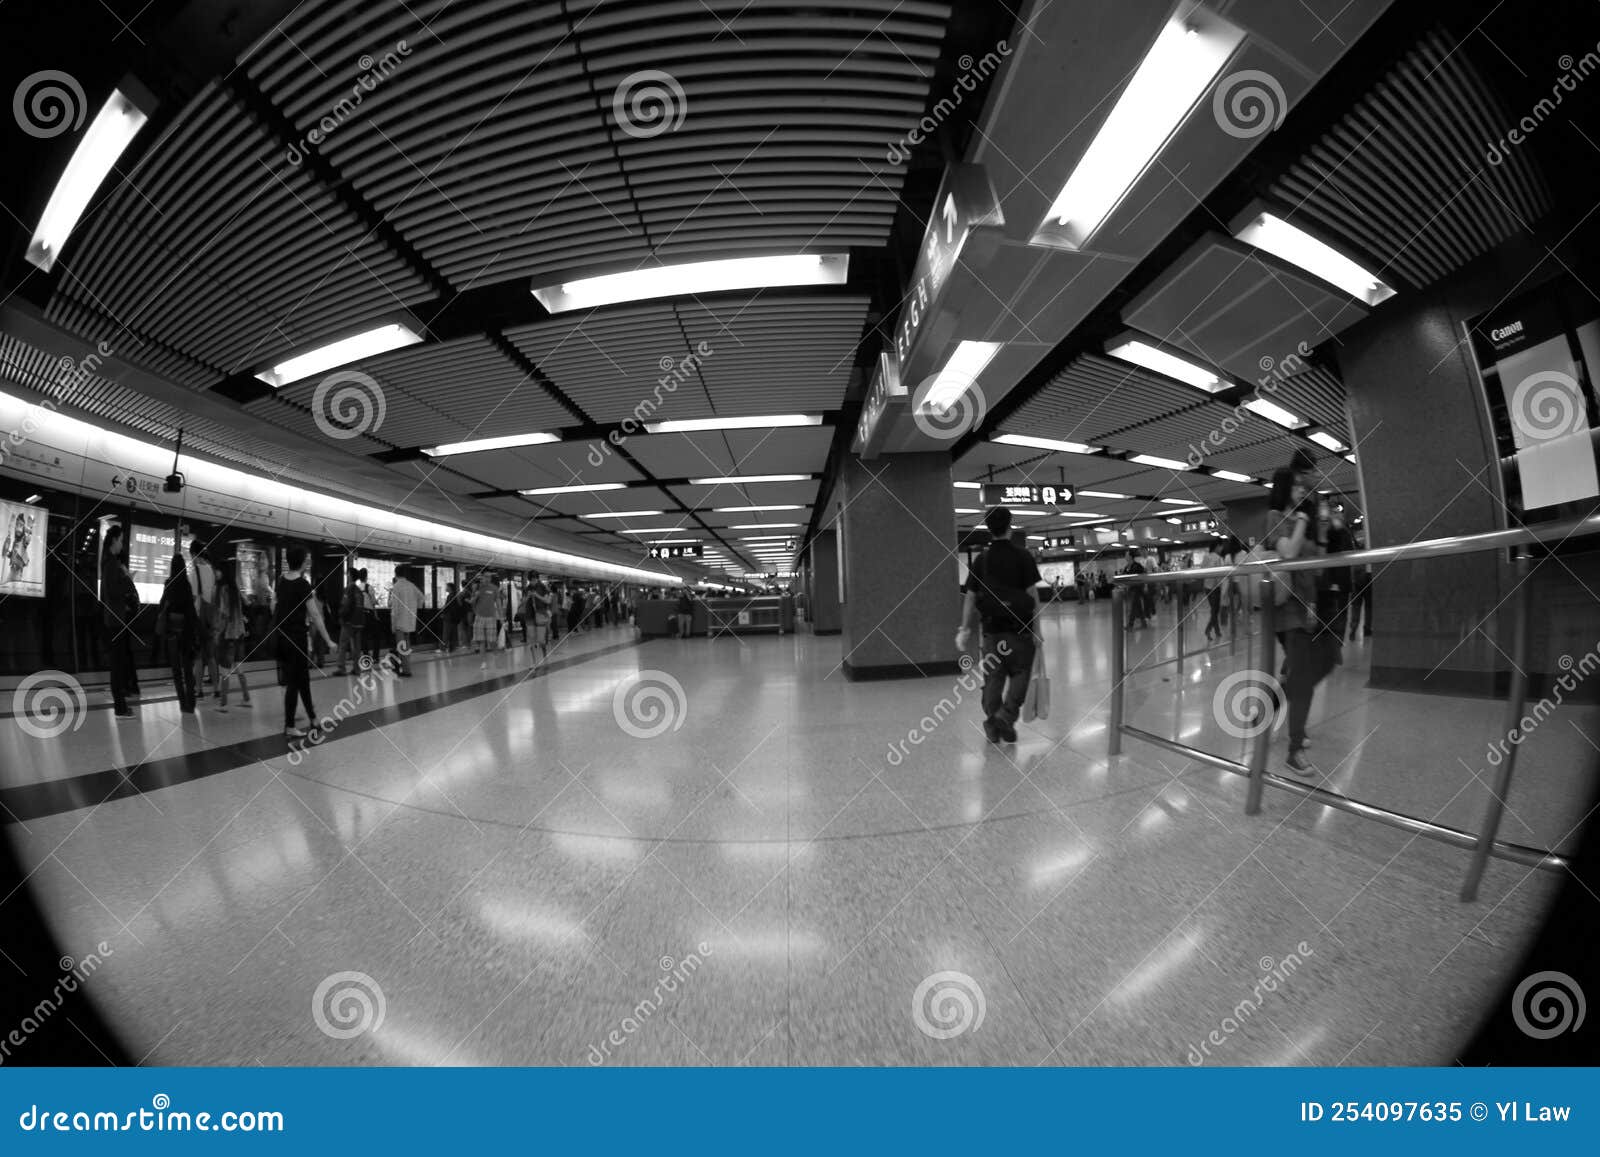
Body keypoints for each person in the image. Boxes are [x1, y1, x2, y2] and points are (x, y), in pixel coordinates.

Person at [956, 507, 1042, 744]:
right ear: (1009, 527)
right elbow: (1032, 595)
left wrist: (965, 628)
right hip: (1021, 630)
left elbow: (971, 596)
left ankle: (994, 723)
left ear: (988, 529)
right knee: (1021, 673)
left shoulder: (982, 561)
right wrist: (1038, 631)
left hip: (992, 632)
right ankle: (1005, 717)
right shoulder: (1023, 556)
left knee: (994, 677)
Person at [276, 545, 333, 739]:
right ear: (301, 562)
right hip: (297, 639)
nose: (308, 562)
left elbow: (276, 606)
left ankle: (313, 719)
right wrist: (328, 640)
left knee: (302, 681)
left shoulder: (281, 582)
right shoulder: (302, 584)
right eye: (306, 559)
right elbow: (315, 615)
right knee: (295, 682)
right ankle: (290, 726)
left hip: (282, 639)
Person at [100, 525, 140, 719]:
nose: (122, 544)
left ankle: (121, 705)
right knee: (117, 664)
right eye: (121, 540)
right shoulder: (110, 564)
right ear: (114, 540)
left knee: (119, 663)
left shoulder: (109, 562)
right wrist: (128, 579)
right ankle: (120, 707)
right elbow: (114, 591)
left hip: (115, 619)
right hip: (116, 621)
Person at [156, 553, 200, 714]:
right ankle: (191, 703)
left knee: (176, 671)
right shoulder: (186, 585)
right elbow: (191, 610)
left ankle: (182, 703)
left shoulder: (169, 584)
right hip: (186, 632)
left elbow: (162, 606)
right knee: (188, 669)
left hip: (172, 633)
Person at [211, 567, 252, 711]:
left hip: (228, 635)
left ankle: (223, 704)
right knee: (239, 668)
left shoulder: (224, 590)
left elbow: (224, 614)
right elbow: (244, 607)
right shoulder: (235, 591)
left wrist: (217, 632)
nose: (216, 573)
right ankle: (246, 699)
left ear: (223, 573)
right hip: (239, 633)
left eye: (218, 570)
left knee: (225, 671)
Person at [190, 537, 219, 695]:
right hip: (211, 617)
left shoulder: (195, 572)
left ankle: (199, 689)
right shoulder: (212, 570)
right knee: (212, 656)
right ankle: (216, 689)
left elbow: (194, 598)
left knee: (199, 656)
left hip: (199, 617)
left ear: (194, 554)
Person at [334, 567, 367, 674]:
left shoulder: (349, 588)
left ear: (350, 575)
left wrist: (341, 616)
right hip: (359, 622)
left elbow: (345, 604)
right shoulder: (359, 590)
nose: (347, 575)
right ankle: (357, 668)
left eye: (347, 574)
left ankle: (341, 668)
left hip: (349, 622)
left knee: (343, 644)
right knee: (357, 647)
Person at [389, 567, 420, 676]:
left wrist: (393, 623)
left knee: (401, 647)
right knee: (406, 647)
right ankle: (407, 668)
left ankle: (406, 670)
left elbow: (395, 608)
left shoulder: (396, 586)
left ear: (396, 574)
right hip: (410, 622)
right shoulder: (411, 585)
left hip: (399, 623)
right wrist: (414, 608)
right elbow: (421, 598)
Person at [471, 576, 499, 666]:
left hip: (491, 617)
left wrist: (501, 616)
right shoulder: (478, 590)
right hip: (479, 617)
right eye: (482, 579)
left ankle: (495, 653)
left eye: (486, 577)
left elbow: (498, 601)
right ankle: (483, 662)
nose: (483, 580)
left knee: (492, 641)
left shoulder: (494, 588)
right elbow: (472, 602)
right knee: (481, 640)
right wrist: (475, 592)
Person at [525, 579, 552, 668]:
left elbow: (548, 601)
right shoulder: (527, 588)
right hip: (529, 616)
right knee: (531, 639)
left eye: (534, 578)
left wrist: (536, 595)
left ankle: (545, 656)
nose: (533, 581)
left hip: (540, 615)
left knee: (541, 640)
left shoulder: (544, 588)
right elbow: (523, 601)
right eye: (531, 579)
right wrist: (528, 597)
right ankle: (534, 662)